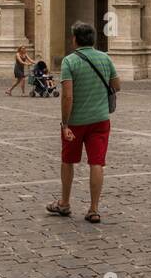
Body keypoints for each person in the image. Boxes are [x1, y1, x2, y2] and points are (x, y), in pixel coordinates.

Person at [47, 21, 119, 224]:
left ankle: (64, 203)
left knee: (68, 161)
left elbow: (67, 96)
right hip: (101, 119)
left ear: (75, 39)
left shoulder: (70, 61)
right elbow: (117, 85)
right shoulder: (105, 58)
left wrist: (65, 123)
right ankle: (94, 209)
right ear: (93, 39)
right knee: (97, 163)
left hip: (76, 121)